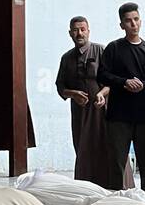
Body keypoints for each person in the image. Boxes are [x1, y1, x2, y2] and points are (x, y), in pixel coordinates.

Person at [55, 15, 130, 188]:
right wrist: (73, 94)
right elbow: (60, 86)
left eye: (82, 29)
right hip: (81, 113)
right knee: (84, 150)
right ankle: (87, 189)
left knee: (111, 147)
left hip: (104, 110)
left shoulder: (101, 51)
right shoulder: (66, 58)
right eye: (75, 30)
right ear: (70, 33)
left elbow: (114, 80)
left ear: (88, 31)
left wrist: (102, 93)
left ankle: (117, 187)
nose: (79, 33)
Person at [99, 2, 145, 192]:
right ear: (122, 25)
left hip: (144, 115)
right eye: (128, 21)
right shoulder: (113, 48)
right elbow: (102, 75)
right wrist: (124, 82)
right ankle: (117, 200)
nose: (133, 24)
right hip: (118, 116)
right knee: (117, 163)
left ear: (140, 21)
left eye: (136, 20)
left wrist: (144, 85)